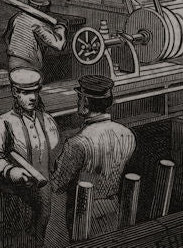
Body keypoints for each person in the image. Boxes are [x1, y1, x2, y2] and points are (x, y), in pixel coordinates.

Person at [47, 75, 135, 247]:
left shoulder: (78, 143)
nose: (77, 102)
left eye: (79, 98)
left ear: (86, 103)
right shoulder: (128, 134)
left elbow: (58, 184)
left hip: (83, 212)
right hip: (113, 206)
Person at [0, 68, 61, 246]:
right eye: (26, 92)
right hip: (18, 194)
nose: (32, 97)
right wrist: (11, 171)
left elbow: (56, 153)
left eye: (35, 91)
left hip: (45, 194)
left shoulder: (48, 121)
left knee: (40, 234)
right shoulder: (4, 122)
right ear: (15, 92)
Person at [4, 0, 67, 74]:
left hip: (13, 62)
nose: (48, 11)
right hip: (29, 65)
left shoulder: (17, 17)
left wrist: (13, 50)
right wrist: (61, 27)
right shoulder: (37, 23)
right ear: (39, 7)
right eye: (46, 8)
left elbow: (6, 38)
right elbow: (59, 45)